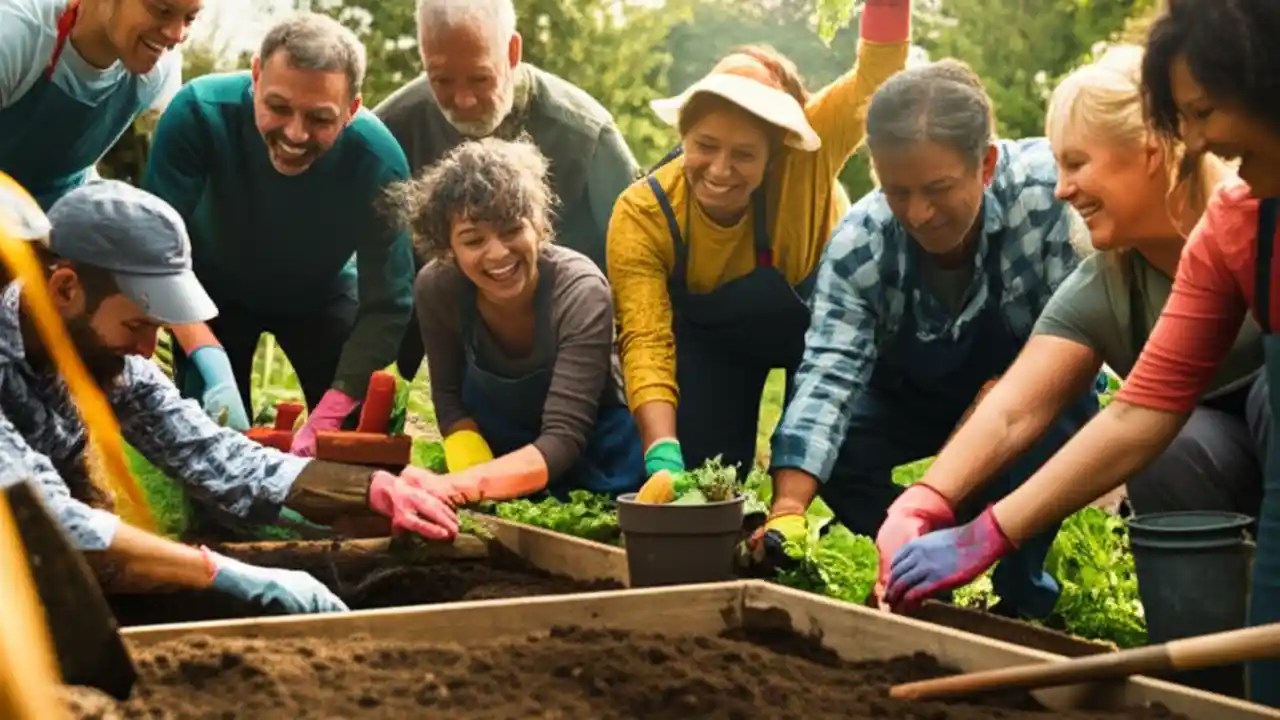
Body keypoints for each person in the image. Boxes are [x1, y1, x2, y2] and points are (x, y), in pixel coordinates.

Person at [882, 0, 1280, 703]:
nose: (1060, 187)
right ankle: (1221, 695)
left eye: (1074, 162)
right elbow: (1134, 410)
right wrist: (954, 514)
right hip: (1235, 464)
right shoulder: (1226, 232)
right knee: (1179, 444)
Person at [0, 175, 459, 614]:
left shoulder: (104, 354)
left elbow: (211, 454)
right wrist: (218, 571)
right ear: (65, 288)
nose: (144, 350)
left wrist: (372, 489)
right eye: (137, 325)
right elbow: (44, 516)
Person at [749, 58, 1098, 621]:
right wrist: (789, 506)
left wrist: (961, 469)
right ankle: (913, 564)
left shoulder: (1049, 198)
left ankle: (1019, 600)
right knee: (835, 449)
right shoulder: (862, 243)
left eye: (938, 189)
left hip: (1036, 390)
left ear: (984, 165)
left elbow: (1080, 346)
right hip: (912, 394)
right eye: (897, 191)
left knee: (1058, 418)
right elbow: (828, 374)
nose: (917, 212)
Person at [610, 0, 912, 493]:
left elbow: (878, 74)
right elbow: (645, 339)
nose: (721, 169)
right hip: (714, 342)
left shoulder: (807, 158)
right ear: (684, 135)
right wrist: (662, 453)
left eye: (744, 154)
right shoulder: (643, 213)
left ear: (774, 153)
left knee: (830, 451)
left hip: (819, 318)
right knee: (705, 476)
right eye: (705, 145)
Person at [144, 12, 415, 452]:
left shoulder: (380, 163)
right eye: (278, 107)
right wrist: (207, 357)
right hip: (209, 295)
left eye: (320, 119)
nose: (295, 133)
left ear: (352, 110)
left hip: (321, 294)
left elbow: (389, 303)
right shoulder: (198, 112)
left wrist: (333, 407)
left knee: (346, 450)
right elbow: (152, 251)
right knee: (212, 452)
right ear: (255, 76)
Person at [375, 0, 641, 382]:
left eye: (480, 79)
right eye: (442, 81)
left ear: (513, 51)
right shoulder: (395, 125)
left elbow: (638, 254)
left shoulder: (585, 133)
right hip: (459, 338)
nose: (463, 100)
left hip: (571, 337)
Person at [387, 138, 643, 502]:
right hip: (499, 457)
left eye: (511, 230)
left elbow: (563, 437)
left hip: (596, 455)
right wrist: (473, 466)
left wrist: (457, 486)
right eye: (473, 240)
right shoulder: (437, 288)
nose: (498, 253)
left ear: (539, 224)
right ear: (448, 249)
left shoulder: (580, 291)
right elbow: (448, 398)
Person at [0, 0, 196, 210]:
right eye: (162, 10)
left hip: (60, 215)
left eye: (190, 18)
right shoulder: (16, 32)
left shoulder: (160, 68)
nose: (177, 35)